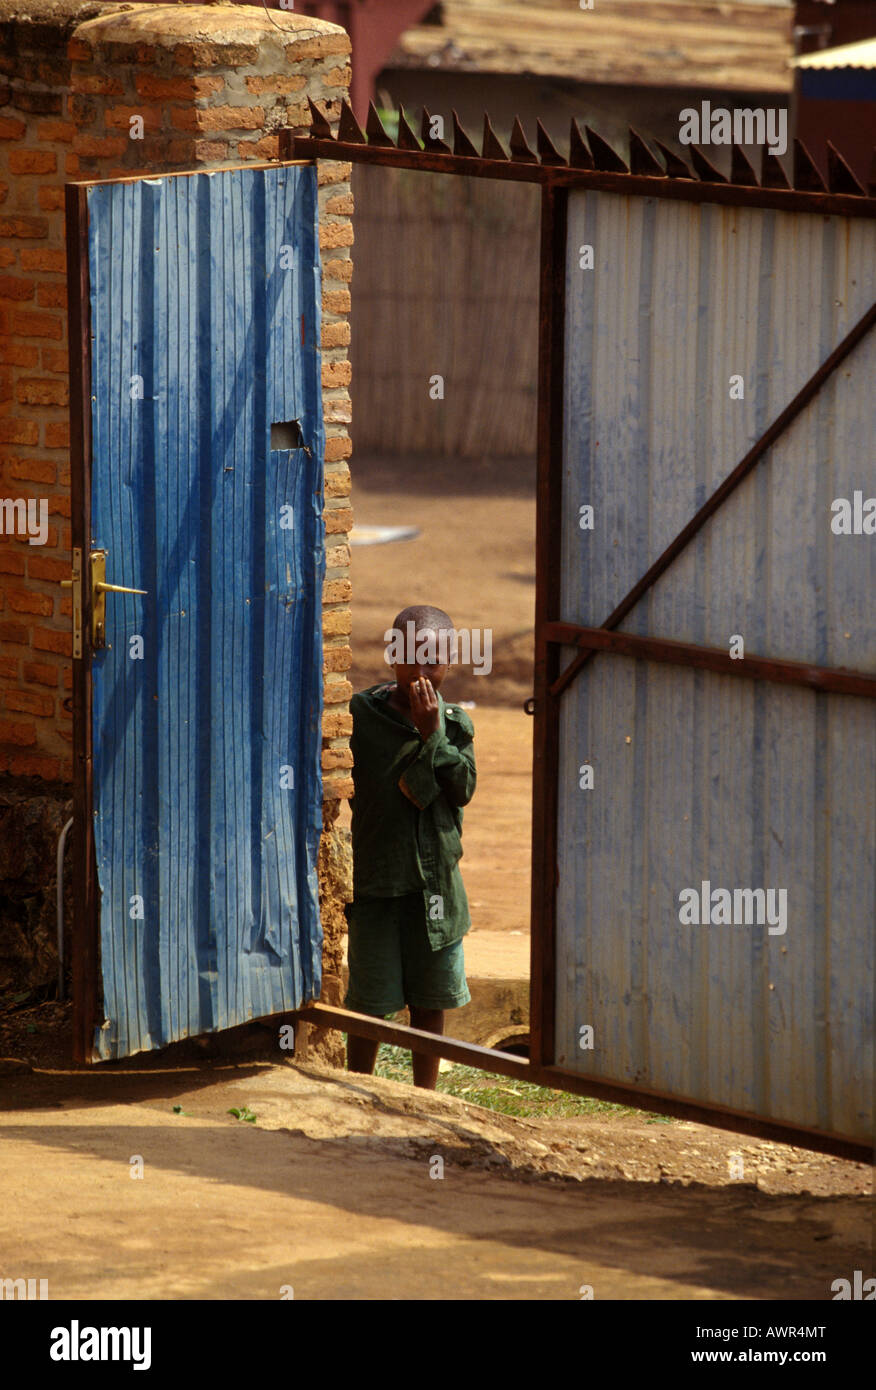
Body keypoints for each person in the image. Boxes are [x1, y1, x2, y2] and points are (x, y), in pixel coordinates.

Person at [344, 603, 476, 1089]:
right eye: (411, 658)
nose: (421, 672)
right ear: (392, 655)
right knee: (370, 1001)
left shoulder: (457, 726)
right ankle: (358, 1088)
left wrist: (432, 735)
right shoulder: (361, 715)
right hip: (379, 882)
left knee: (430, 998)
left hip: (436, 886)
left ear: (450, 661)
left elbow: (461, 788)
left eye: (434, 661)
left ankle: (426, 1096)